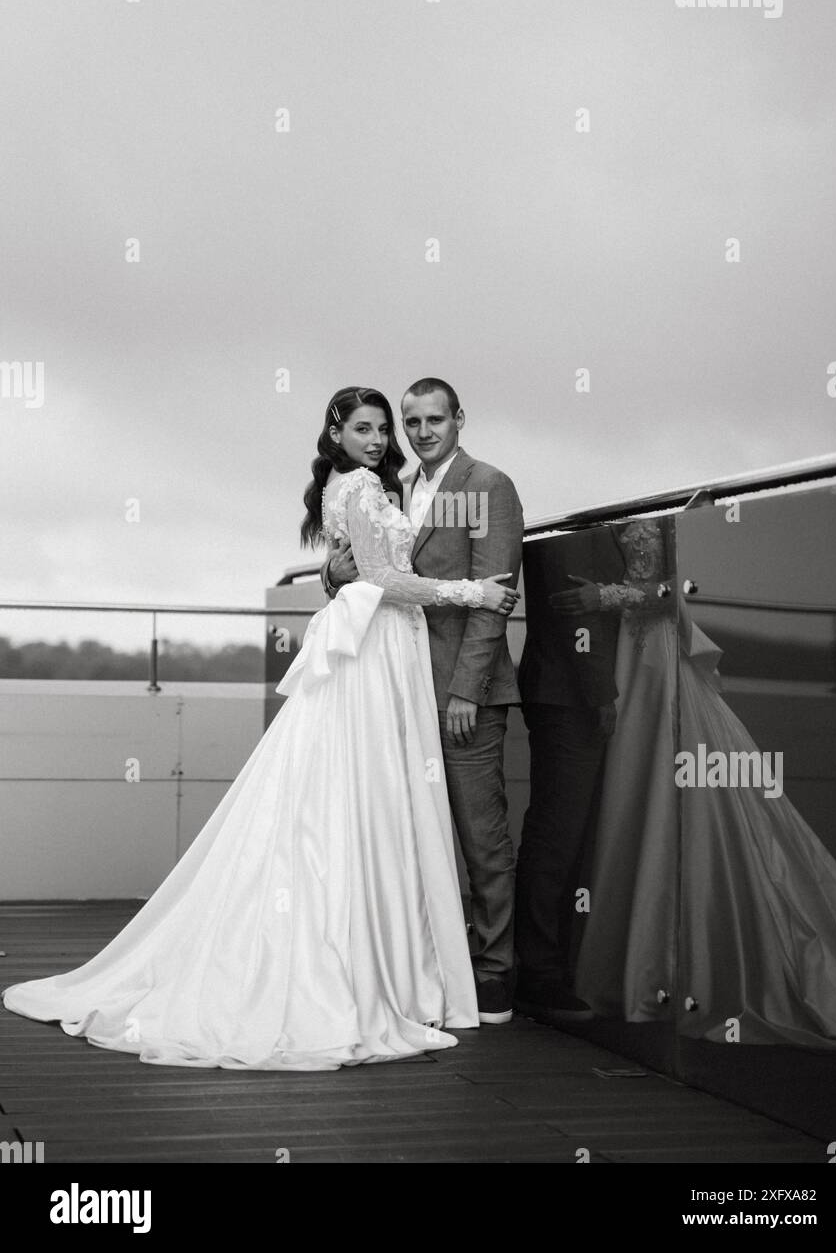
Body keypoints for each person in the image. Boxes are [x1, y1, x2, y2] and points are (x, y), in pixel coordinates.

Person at [2, 386, 519, 1070]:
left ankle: (461, 972)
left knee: (410, 818)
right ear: (336, 433)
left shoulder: (448, 486)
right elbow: (381, 576)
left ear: (455, 422)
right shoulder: (368, 486)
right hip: (382, 657)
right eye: (372, 426)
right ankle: (386, 969)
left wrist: (362, 576)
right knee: (370, 809)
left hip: (410, 667)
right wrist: (466, 591)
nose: (389, 436)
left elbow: (365, 568)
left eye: (392, 426)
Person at [550, 517, 836, 1048]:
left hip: (653, 659)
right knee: (631, 797)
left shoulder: (683, 503)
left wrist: (604, 597)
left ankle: (661, 975)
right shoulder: (620, 498)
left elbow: (687, 586)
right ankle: (632, 972)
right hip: (624, 652)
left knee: (661, 792)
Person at [324, 378, 524, 1023]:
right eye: (410, 422)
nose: (420, 432)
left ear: (459, 418)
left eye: (434, 419)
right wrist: (333, 571)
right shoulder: (397, 485)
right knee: (416, 832)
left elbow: (494, 594)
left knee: (480, 834)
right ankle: (434, 968)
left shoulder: (486, 484)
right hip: (400, 687)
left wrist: (467, 690)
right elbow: (367, 564)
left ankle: (495, 976)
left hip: (461, 692)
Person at [513, 525, 624, 1019]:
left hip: (566, 690)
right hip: (570, 695)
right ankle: (539, 973)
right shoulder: (575, 525)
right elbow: (572, 615)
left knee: (562, 834)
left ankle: (552, 965)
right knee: (557, 838)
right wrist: (598, 692)